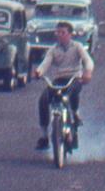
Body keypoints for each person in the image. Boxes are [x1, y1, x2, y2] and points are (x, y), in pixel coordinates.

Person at [34, 21, 95, 150]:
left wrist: (87, 72)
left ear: (70, 34)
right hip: (58, 79)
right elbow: (46, 63)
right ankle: (44, 136)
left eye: (63, 32)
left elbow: (88, 60)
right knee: (43, 99)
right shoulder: (53, 49)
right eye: (58, 32)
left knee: (72, 92)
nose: (59, 35)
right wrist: (39, 72)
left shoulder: (77, 46)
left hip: (74, 78)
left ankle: (75, 113)